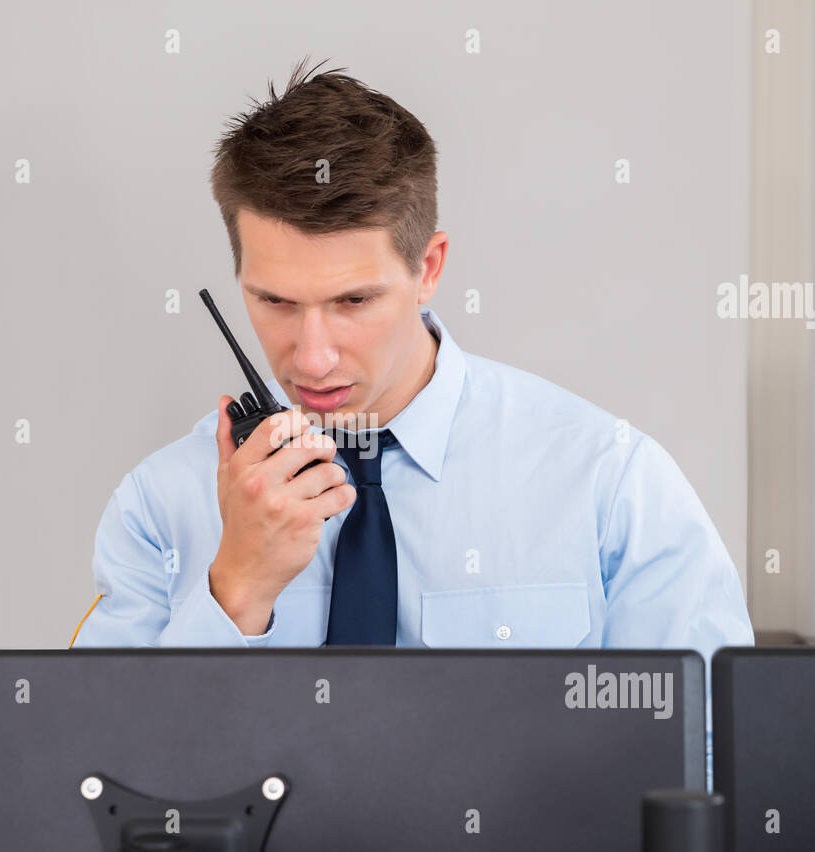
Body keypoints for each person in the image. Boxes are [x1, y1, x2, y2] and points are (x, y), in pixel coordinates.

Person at [73, 59, 753, 774]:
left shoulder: (608, 483)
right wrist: (234, 588)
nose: (313, 356)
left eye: (353, 302)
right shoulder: (159, 506)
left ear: (428, 268)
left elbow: (708, 768)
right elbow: (104, 785)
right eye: (274, 302)